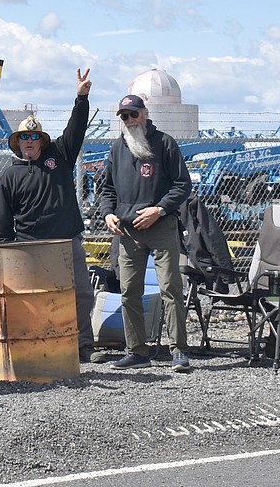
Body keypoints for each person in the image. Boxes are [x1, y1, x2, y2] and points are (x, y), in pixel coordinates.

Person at [0, 69, 97, 363]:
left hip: (67, 242)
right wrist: (7, 252)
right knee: (37, 299)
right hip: (31, 249)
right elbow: (3, 222)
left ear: (42, 141)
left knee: (80, 295)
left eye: (34, 136)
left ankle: (83, 346)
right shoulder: (9, 176)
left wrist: (81, 97)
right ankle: (41, 347)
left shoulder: (60, 156)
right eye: (24, 136)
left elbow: (76, 129)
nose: (29, 140)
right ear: (18, 142)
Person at [97, 94, 193, 372]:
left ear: (145, 113)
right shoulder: (117, 148)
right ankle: (137, 351)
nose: (129, 120)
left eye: (133, 114)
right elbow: (107, 190)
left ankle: (178, 351)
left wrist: (159, 210)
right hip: (127, 232)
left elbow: (182, 184)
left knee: (170, 288)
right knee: (128, 292)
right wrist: (108, 213)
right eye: (124, 116)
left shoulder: (164, 143)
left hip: (161, 227)